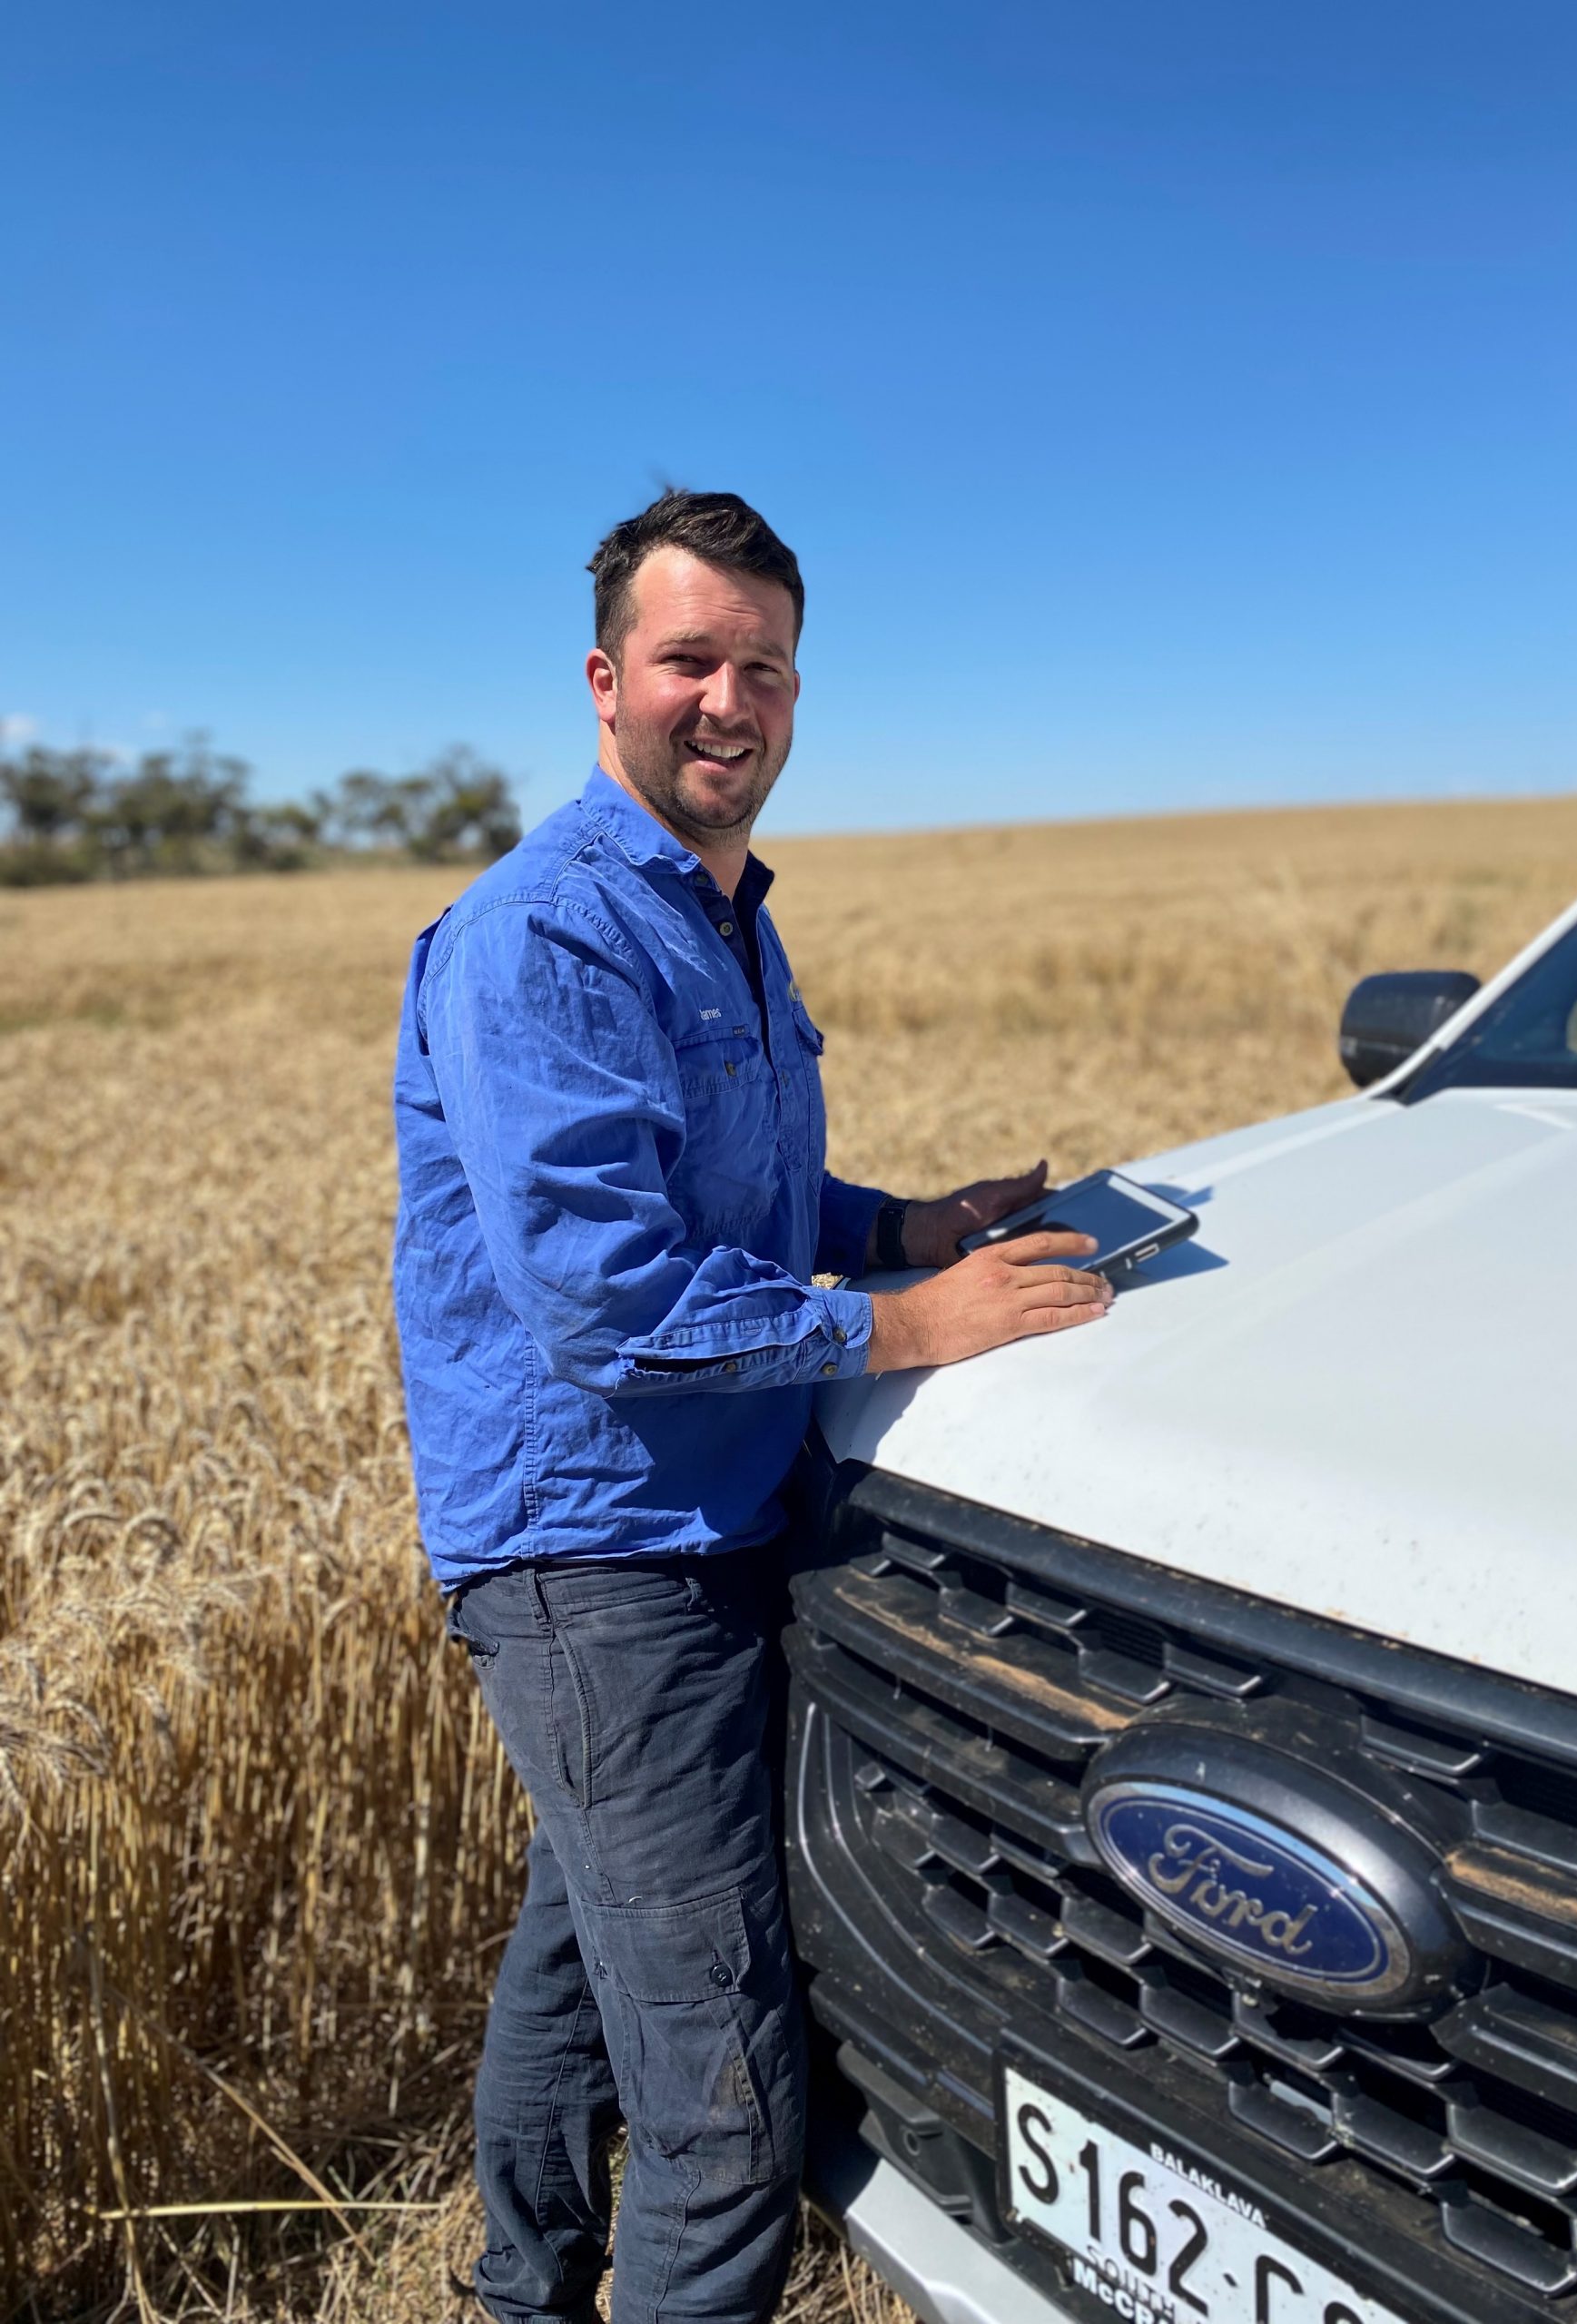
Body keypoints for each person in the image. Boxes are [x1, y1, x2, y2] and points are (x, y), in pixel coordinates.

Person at [391, 488, 1113, 2324]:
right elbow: (608, 1298)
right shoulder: (545, 936)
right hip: (598, 1552)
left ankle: (517, 2288)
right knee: (720, 2101)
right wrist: (908, 1321)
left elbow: (733, 1203)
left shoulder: (725, 915)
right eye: (692, 659)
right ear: (606, 678)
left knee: (581, 1949)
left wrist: (901, 1223)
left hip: (698, 1521)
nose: (732, 699)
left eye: (765, 665)